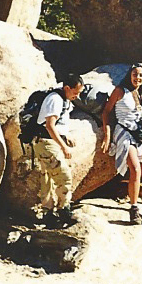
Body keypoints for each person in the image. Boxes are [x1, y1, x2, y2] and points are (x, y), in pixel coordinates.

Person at [101, 62, 142, 229]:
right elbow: (107, 112)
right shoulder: (120, 91)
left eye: (140, 75)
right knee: (135, 170)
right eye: (135, 74)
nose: (137, 77)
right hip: (125, 132)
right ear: (129, 75)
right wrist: (107, 134)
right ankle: (134, 208)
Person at [31, 73, 84, 228]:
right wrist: (63, 146)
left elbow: (59, 124)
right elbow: (49, 125)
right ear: (67, 88)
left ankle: (48, 213)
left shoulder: (64, 99)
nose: (77, 96)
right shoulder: (55, 99)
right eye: (75, 92)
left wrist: (66, 135)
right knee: (64, 176)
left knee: (47, 178)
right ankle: (64, 210)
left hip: (45, 142)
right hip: (46, 142)